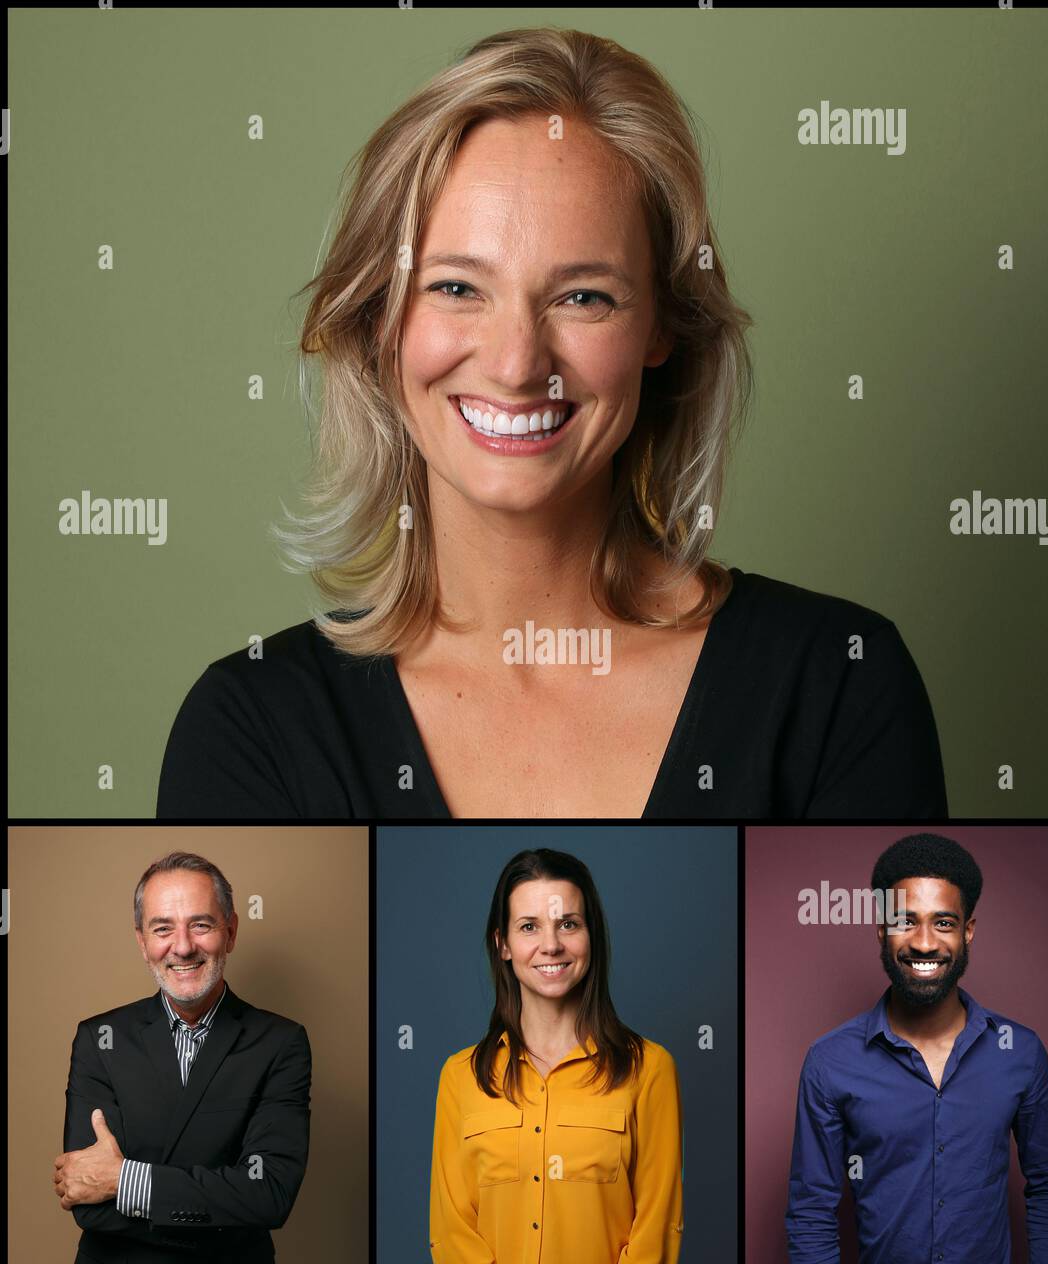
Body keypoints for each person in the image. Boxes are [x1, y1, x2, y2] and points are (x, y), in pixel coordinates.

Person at [156, 28, 946, 820]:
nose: (516, 364)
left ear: (661, 330)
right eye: (457, 288)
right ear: (379, 323)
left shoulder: (838, 682)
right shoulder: (249, 728)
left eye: (582, 297)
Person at [785, 833, 1048, 1264]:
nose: (923, 943)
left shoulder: (1020, 1052)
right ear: (881, 929)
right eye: (905, 921)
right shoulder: (829, 1063)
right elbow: (811, 1209)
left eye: (943, 922)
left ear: (968, 931)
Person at [55, 852, 311, 1264]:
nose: (183, 946)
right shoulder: (99, 1038)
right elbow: (87, 1203)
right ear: (142, 941)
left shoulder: (281, 1044)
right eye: (162, 928)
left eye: (201, 924)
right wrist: (217, 1208)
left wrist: (125, 1180)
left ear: (230, 931)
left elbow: (269, 1195)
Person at [429, 847, 683, 1264]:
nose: (551, 944)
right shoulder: (460, 1076)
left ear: (591, 936)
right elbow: (451, 1234)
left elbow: (657, 1230)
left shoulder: (650, 1069)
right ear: (503, 944)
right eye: (529, 926)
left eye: (568, 923)